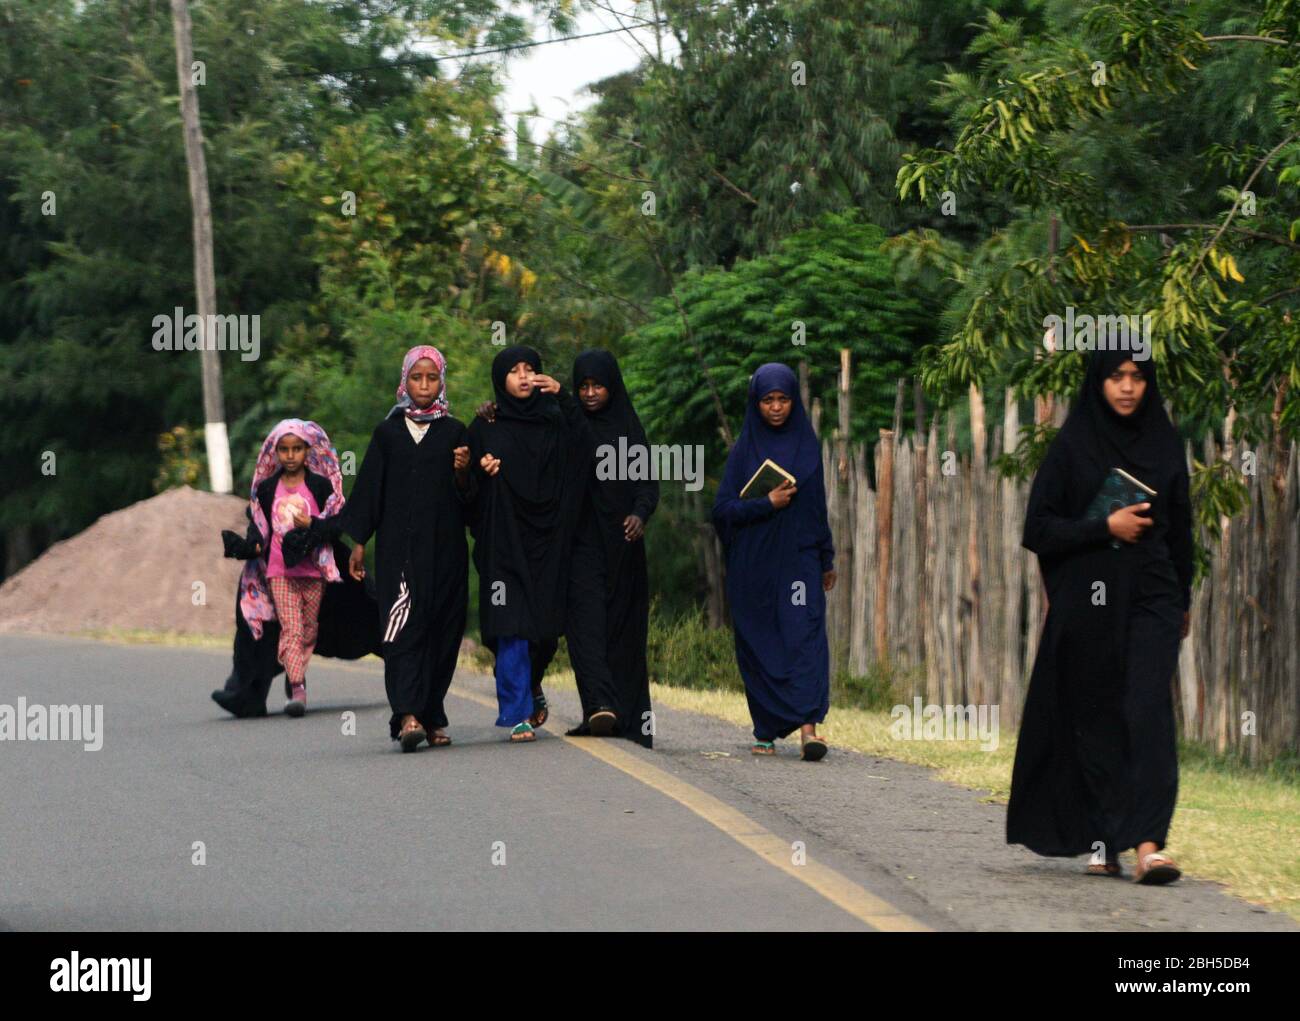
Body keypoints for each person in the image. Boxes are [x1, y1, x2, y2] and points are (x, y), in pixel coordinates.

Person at [1007, 350, 1192, 885]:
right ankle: (1104, 837)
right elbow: (1038, 529)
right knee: (1098, 715)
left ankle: (1150, 845)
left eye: (1137, 377)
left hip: (1153, 596)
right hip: (1090, 600)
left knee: (1147, 709)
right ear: (1098, 381)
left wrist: (1182, 600)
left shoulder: (1164, 442)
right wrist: (1104, 527)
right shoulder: (1073, 446)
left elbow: (1180, 527)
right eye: (1116, 376)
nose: (1128, 388)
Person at [334, 345, 475, 752]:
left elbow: (471, 502)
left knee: (442, 633)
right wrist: (358, 543)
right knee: (401, 632)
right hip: (399, 554)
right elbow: (369, 493)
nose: (425, 385)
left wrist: (464, 473)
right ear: (405, 381)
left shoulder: (455, 433)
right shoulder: (387, 434)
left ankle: (431, 715)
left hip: (446, 552)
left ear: (442, 381)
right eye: (417, 377)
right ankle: (408, 715)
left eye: (432, 378)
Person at [215, 419, 381, 718]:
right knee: (262, 627)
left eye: (297, 449)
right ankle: (256, 692)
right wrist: (248, 547)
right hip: (274, 573)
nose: (290, 455)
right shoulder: (266, 490)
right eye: (284, 449)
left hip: (319, 570)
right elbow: (259, 525)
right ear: (274, 452)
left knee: (349, 613)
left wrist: (314, 527)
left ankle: (409, 666)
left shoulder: (320, 487)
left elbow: (336, 523)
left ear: (308, 451)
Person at [712, 363, 835, 761]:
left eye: (783, 399)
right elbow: (723, 510)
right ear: (756, 403)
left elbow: (817, 508)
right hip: (755, 565)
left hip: (799, 561)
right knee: (760, 641)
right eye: (768, 400)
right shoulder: (744, 451)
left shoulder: (807, 445)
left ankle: (808, 729)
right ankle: (765, 727)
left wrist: (826, 557)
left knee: (805, 636)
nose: (777, 407)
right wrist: (767, 503)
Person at [467, 345, 586, 743]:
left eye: (530, 369)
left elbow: (587, 447)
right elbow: (463, 489)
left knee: (545, 631)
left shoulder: (554, 419)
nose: (522, 376)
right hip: (503, 541)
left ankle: (532, 683)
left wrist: (563, 395)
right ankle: (516, 712)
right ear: (500, 378)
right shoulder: (485, 424)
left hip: (550, 539)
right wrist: (481, 473)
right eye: (514, 370)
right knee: (510, 627)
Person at [562, 349, 658, 747]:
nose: (589, 393)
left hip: (622, 545)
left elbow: (648, 486)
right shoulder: (567, 427)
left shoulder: (628, 431)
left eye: (597, 385)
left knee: (624, 631)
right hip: (579, 543)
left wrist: (639, 515)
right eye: (582, 386)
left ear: (612, 386)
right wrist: (491, 412)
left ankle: (629, 718)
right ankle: (599, 706)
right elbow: (527, 427)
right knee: (585, 626)